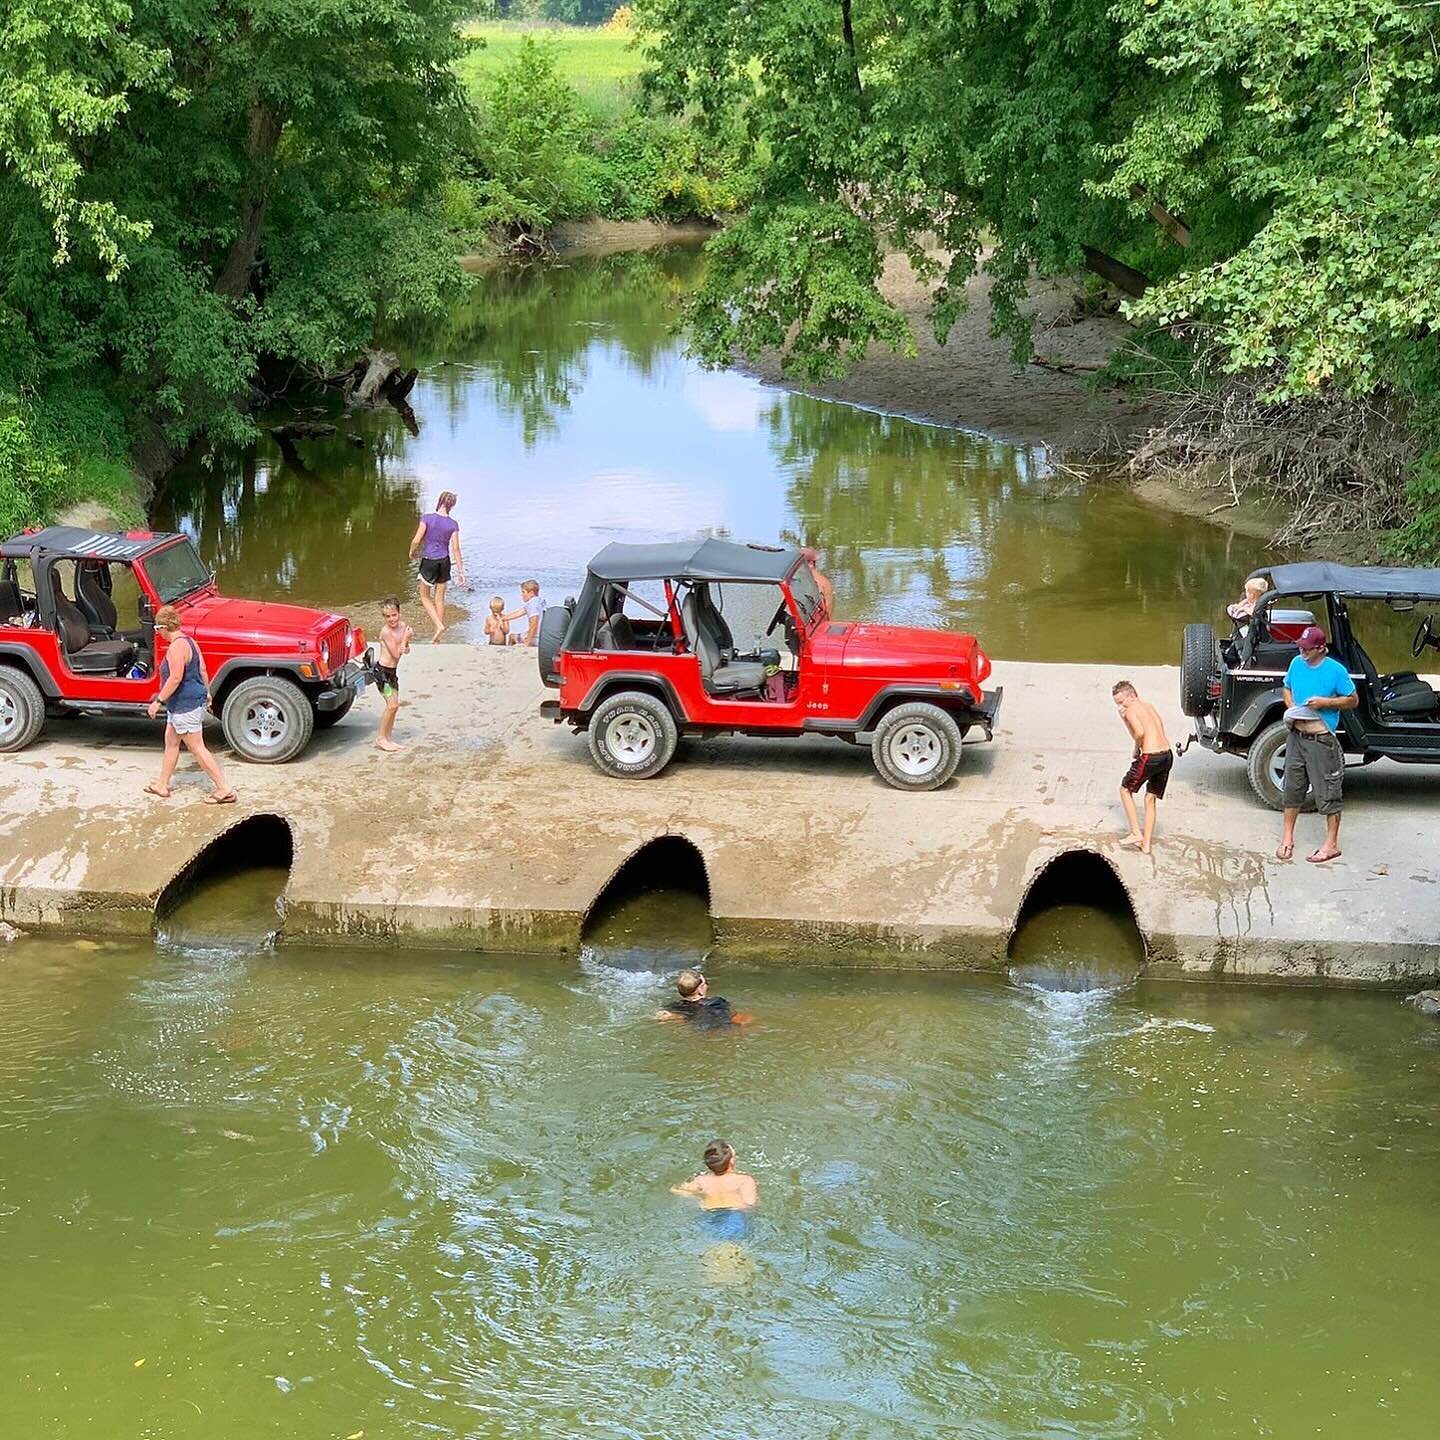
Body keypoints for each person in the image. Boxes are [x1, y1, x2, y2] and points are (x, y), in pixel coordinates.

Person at [1277, 625, 1357, 864]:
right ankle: (1287, 838)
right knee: (1292, 788)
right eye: (1300, 647)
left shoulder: (1335, 671)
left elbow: (1353, 700)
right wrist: (1291, 707)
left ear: (1321, 648)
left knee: (1328, 792)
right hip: (1296, 737)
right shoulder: (1295, 663)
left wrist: (1324, 702)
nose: (1302, 651)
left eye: (1307, 649)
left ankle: (1331, 845)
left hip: (1321, 739)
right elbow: (1287, 687)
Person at [144, 606, 236, 803]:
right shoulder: (190, 641)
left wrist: (158, 701)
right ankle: (162, 784)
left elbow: (176, 677)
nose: (157, 633)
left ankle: (224, 789)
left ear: (163, 627)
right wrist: (207, 692)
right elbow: (202, 669)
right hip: (187, 702)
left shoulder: (176, 648)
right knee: (171, 740)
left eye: (157, 629)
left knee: (197, 748)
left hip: (184, 705)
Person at [1112, 680, 1173, 853]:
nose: (1120, 706)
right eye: (1117, 704)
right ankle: (1146, 845)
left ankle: (1135, 832)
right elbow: (1158, 728)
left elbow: (1139, 733)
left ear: (1132, 695)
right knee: (1150, 798)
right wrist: (1124, 719)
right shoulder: (1149, 706)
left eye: (1122, 702)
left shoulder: (1131, 710)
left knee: (1125, 790)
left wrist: (1136, 751)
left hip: (1151, 756)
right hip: (1167, 755)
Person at [671, 1139, 758, 1241]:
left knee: (712, 1249)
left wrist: (699, 1196)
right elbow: (750, 1204)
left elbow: (676, 1190)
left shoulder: (701, 1180)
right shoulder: (744, 1180)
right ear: (731, 1160)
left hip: (707, 1217)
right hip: (733, 1217)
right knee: (734, 1251)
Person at [408, 491, 465, 640]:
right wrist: (461, 572)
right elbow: (456, 549)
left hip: (429, 560)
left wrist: (412, 552)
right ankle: (437, 636)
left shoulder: (427, 518)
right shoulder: (453, 524)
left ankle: (438, 625)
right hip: (444, 562)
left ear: (440, 501)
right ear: (452, 506)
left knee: (425, 597)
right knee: (439, 599)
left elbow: (416, 540)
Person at [373, 595, 413, 753]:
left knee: (394, 707)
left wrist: (406, 642)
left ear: (399, 613)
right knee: (392, 705)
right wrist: (406, 639)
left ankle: (388, 738)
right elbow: (397, 654)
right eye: (387, 616)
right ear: (384, 617)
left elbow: (406, 650)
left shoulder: (402, 626)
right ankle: (381, 738)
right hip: (382, 673)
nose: (391, 619)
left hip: (392, 673)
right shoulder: (386, 632)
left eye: (394, 615)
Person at [656, 968, 750, 1028]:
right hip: (721, 1029)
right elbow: (732, 1015)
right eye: (705, 983)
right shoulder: (716, 1001)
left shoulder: (674, 1006)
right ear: (700, 989)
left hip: (699, 1030)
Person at [503, 579, 544, 647]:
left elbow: (534, 625)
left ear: (531, 593)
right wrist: (503, 618)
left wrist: (527, 643)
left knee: (511, 637)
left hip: (536, 638)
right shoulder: (539, 601)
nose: (521, 595)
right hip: (543, 637)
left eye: (523, 592)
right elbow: (519, 612)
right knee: (519, 635)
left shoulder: (532, 605)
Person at [801, 546, 835, 615]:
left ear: (810, 564)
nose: (798, 569)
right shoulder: (824, 580)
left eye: (800, 564)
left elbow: (820, 611)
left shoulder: (814, 583)